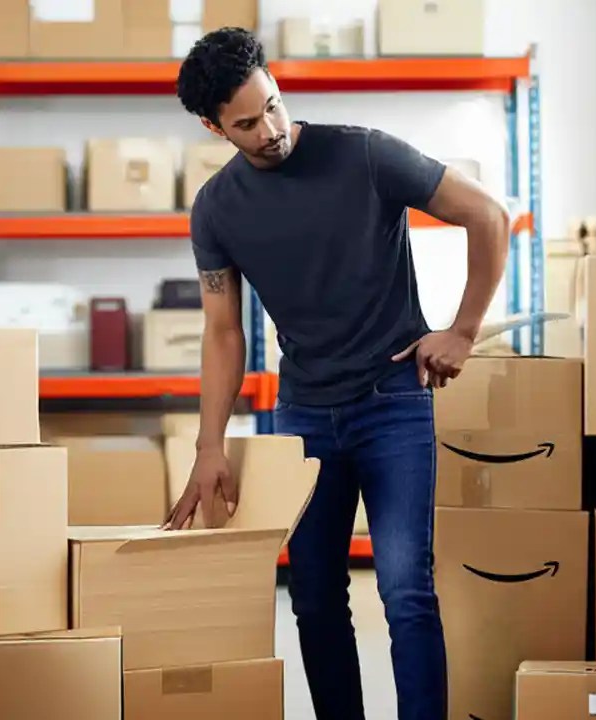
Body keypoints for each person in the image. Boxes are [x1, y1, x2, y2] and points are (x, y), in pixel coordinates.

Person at [165, 27, 510, 720]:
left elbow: (488, 215)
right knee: (315, 598)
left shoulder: (365, 154)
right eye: (246, 123)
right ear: (212, 127)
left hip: (394, 405)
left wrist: (463, 330)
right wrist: (210, 445)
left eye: (273, 105)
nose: (270, 128)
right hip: (303, 416)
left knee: (406, 592)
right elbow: (223, 331)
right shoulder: (216, 210)